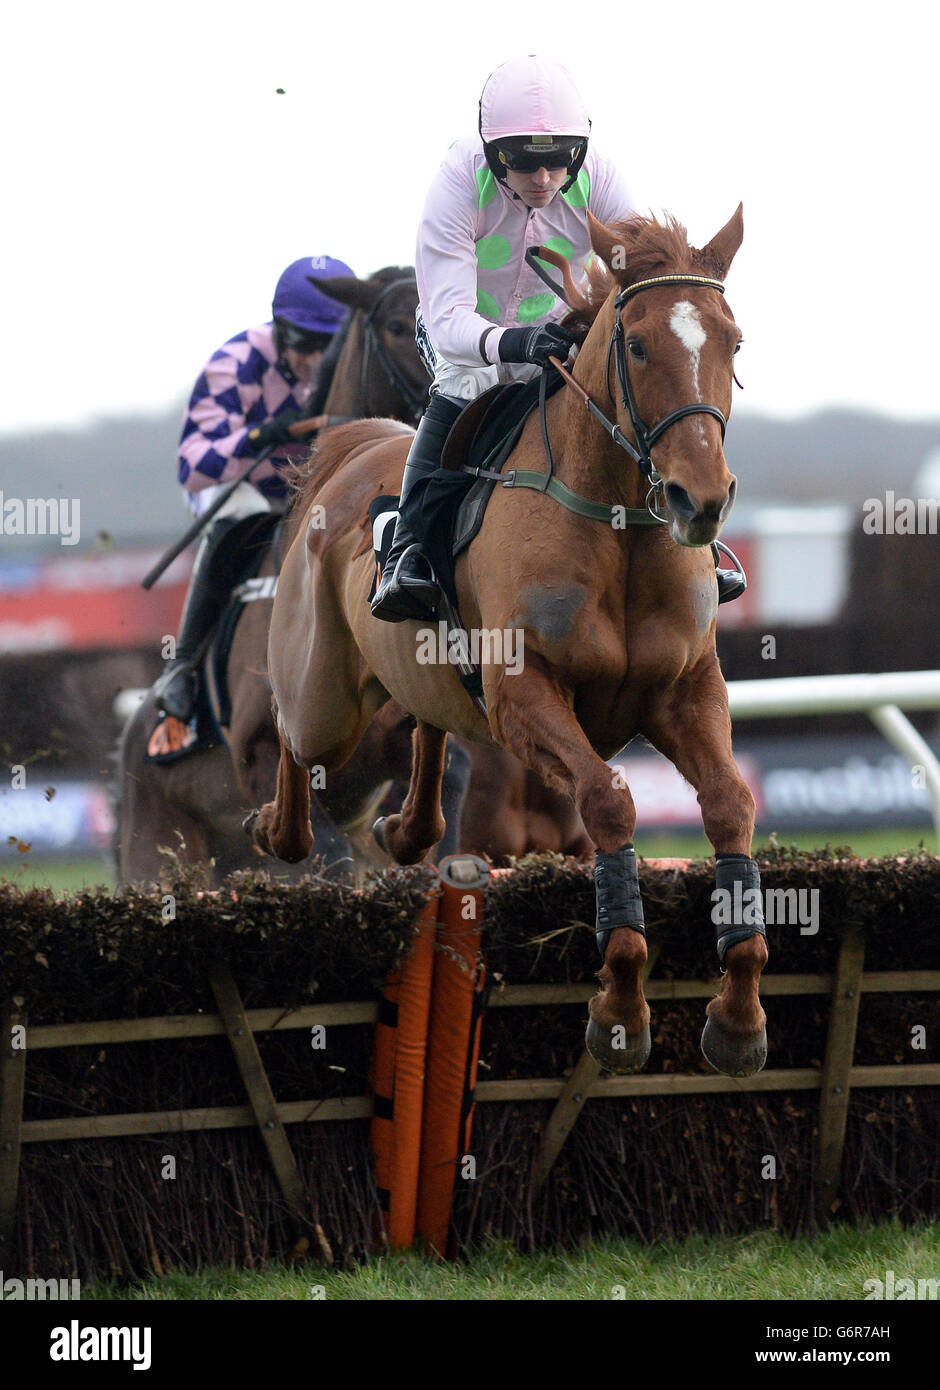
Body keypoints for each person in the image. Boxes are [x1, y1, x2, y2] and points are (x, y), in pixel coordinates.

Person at [371, 54, 744, 622]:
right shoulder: (454, 185)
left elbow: (637, 275)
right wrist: (516, 343)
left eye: (558, 163)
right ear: (493, 153)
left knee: (620, 396)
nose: (543, 180)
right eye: (522, 163)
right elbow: (449, 324)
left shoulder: (602, 177)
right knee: (464, 389)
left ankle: (692, 533)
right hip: (468, 333)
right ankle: (410, 546)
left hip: (562, 323)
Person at [154, 255, 355, 720]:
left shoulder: (353, 365)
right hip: (241, 488)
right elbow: (192, 466)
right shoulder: (236, 363)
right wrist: (260, 436)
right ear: (281, 330)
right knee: (240, 511)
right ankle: (182, 665)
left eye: (331, 344)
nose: (317, 360)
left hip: (310, 491)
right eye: (306, 343)